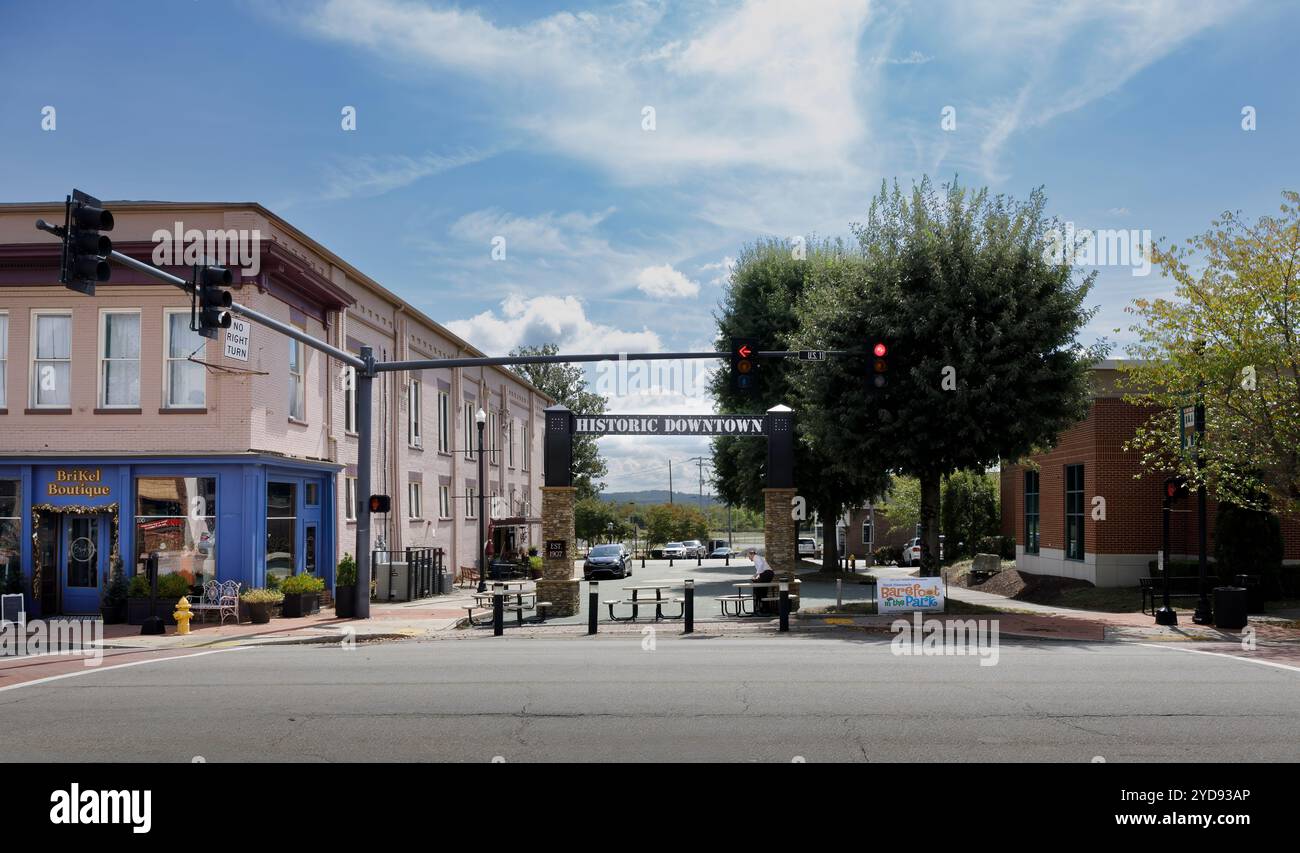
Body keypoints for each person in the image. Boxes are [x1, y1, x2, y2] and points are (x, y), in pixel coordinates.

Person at [748, 547, 774, 615]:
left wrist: (755, 575)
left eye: (749, 556)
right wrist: (757, 576)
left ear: (752, 554)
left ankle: (760, 609)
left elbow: (761, 566)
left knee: (759, 590)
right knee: (763, 592)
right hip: (767, 574)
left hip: (767, 573)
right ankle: (764, 609)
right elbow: (761, 569)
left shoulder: (756, 557)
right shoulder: (758, 558)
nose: (749, 558)